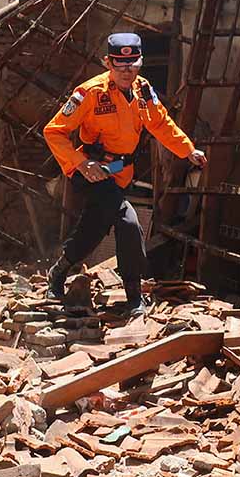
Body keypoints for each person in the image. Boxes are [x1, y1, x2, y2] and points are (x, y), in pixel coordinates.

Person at [43, 32, 206, 315]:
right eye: (120, 65)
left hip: (119, 171)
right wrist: (81, 163)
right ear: (108, 62)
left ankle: (58, 272)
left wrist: (188, 150)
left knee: (93, 228)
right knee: (129, 222)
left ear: (140, 62)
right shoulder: (89, 93)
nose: (127, 72)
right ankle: (133, 295)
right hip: (92, 171)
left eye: (133, 64)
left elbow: (162, 125)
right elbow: (53, 132)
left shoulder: (143, 91)